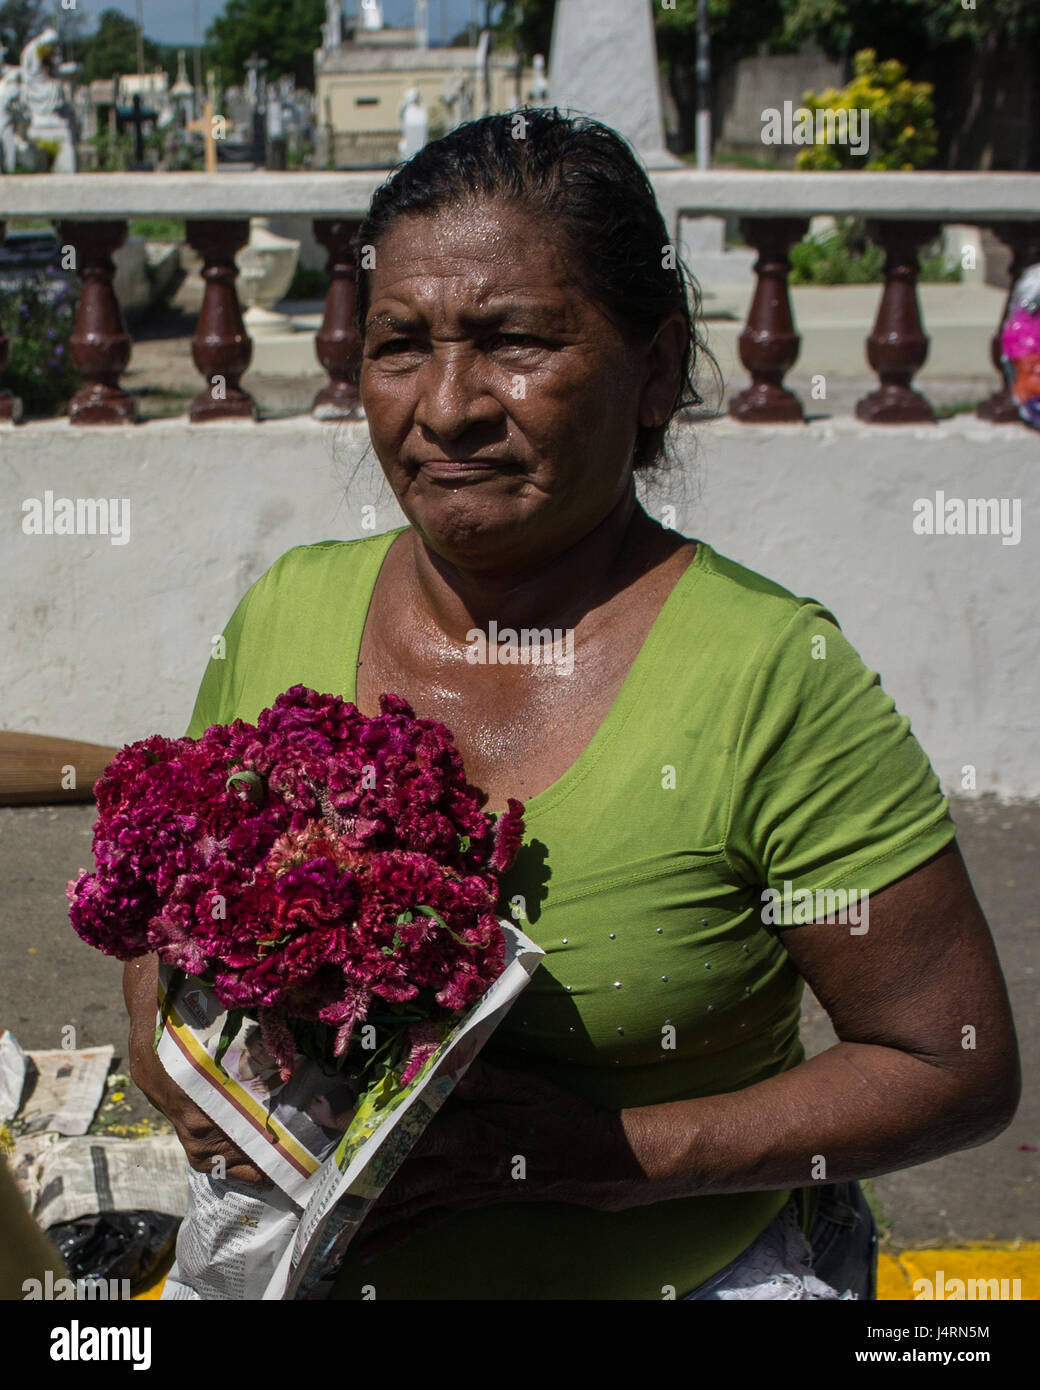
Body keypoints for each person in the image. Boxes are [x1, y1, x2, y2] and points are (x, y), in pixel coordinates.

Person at [125, 109, 1020, 1300]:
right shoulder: (289, 611)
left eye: (512, 342)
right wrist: (166, 1058)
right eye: (399, 345)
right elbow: (162, 905)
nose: (445, 407)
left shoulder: (766, 678)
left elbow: (946, 1061)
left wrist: (594, 1160)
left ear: (653, 370)